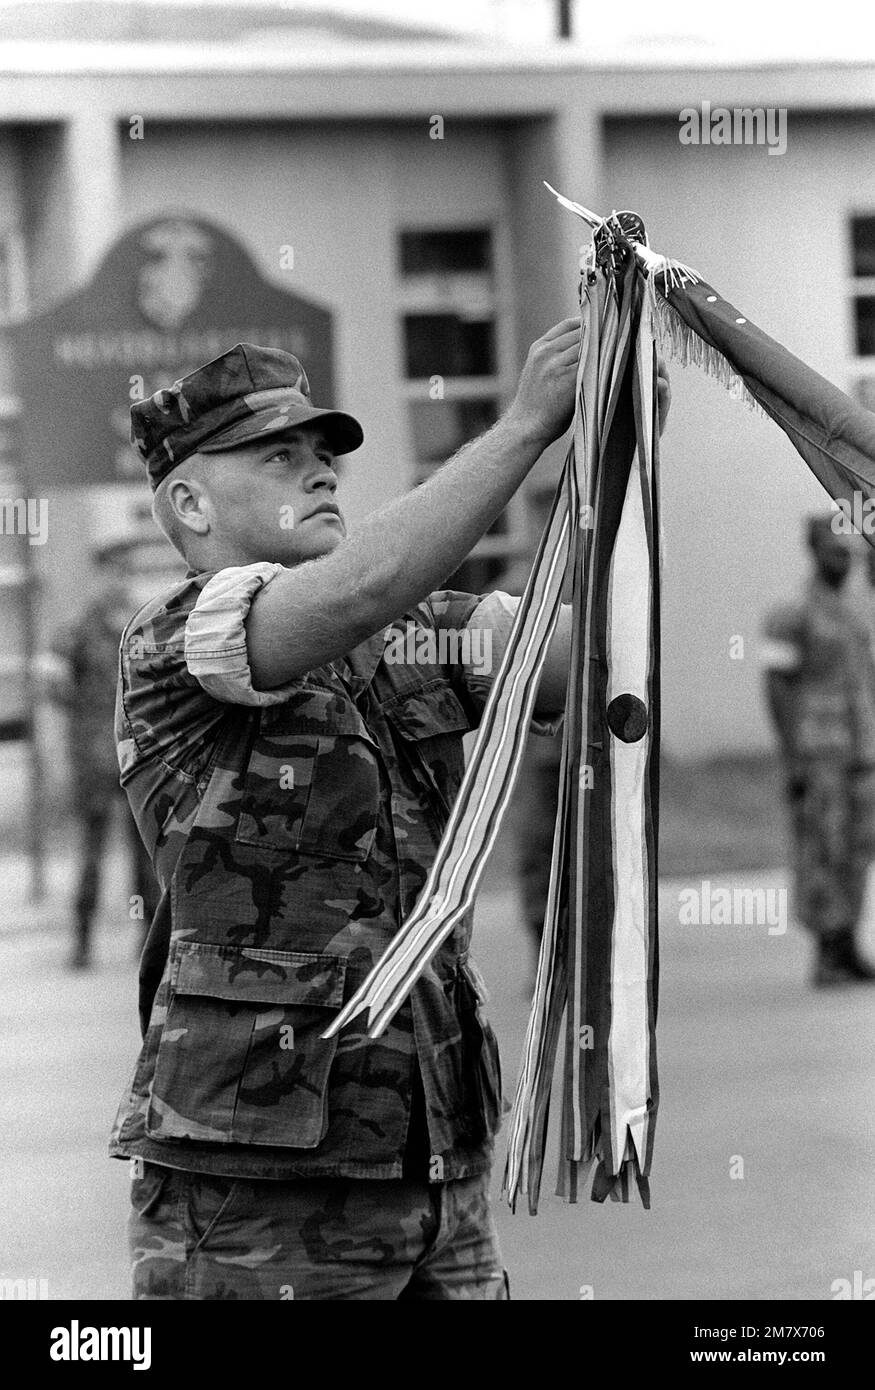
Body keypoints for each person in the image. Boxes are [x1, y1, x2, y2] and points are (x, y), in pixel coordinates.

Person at [111, 334, 670, 1301]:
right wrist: (530, 422)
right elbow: (363, 585)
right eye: (277, 456)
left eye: (322, 450)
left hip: (432, 1166)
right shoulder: (173, 639)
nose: (321, 468)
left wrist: (614, 462)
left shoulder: (396, 631)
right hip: (260, 1197)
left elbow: (584, 650)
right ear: (190, 504)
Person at [762, 515, 875, 986]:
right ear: (813, 551)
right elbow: (776, 685)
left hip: (859, 752)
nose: (843, 560)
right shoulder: (791, 612)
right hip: (818, 752)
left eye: (848, 551)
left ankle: (848, 943)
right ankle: (826, 949)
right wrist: (793, 757)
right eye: (834, 551)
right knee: (822, 848)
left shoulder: (854, 610)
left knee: (857, 847)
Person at [49, 539, 159, 969]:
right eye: (113, 573)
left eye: (125, 573)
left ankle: (148, 942)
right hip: (94, 759)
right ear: (99, 577)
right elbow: (55, 688)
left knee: (144, 856)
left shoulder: (143, 623)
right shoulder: (77, 628)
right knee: (91, 856)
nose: (119, 581)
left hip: (136, 756)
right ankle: (81, 942)